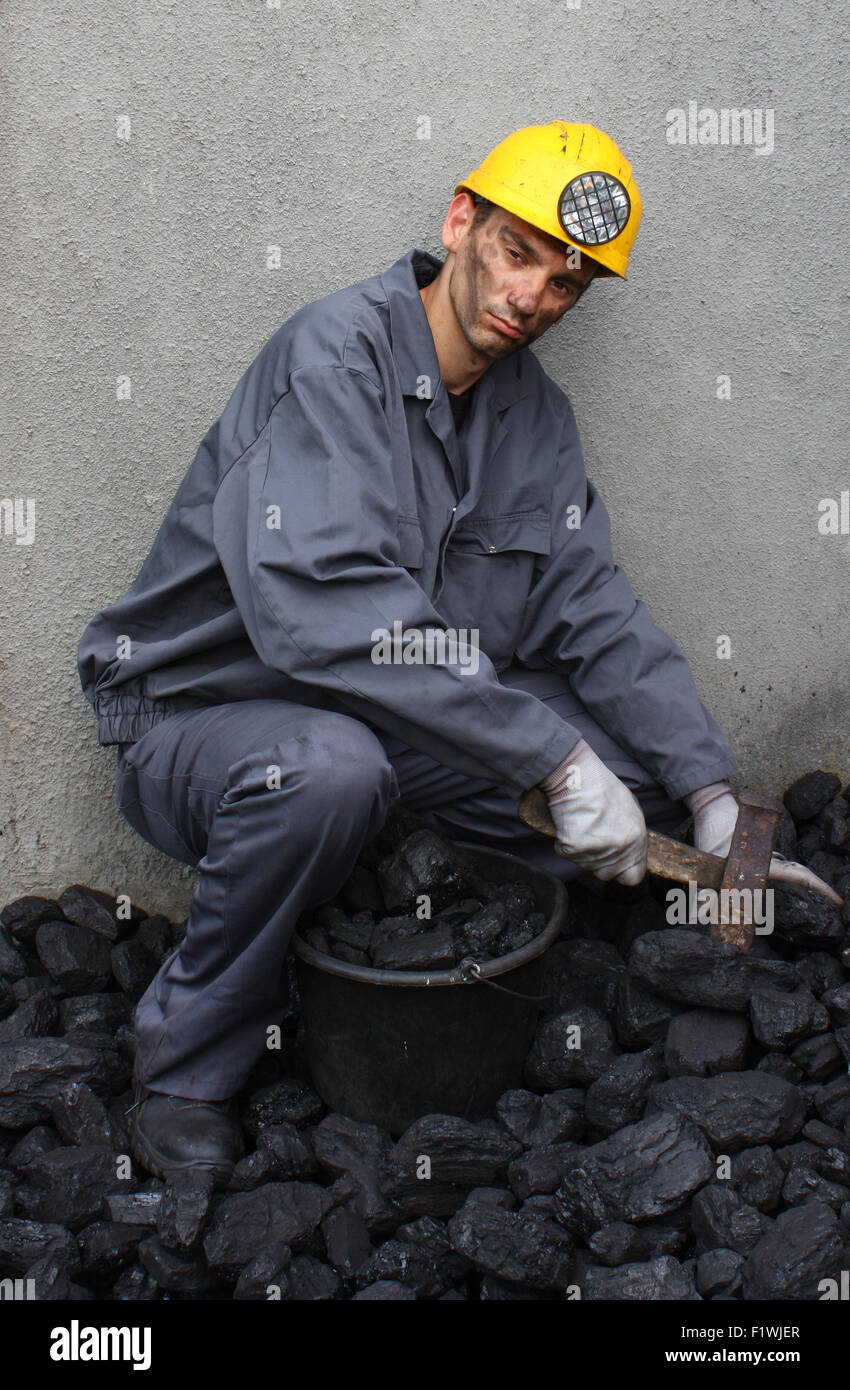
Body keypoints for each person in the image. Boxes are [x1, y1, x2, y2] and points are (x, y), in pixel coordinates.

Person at [76, 121, 748, 1183]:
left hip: (392, 725)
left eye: (565, 283)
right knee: (329, 771)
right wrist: (548, 760)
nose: (532, 296)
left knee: (630, 795)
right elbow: (329, 608)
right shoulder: (334, 360)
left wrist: (706, 789)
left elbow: (593, 603)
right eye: (517, 251)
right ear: (460, 222)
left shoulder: (535, 419)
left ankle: (407, 873)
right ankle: (185, 1068)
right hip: (206, 720)